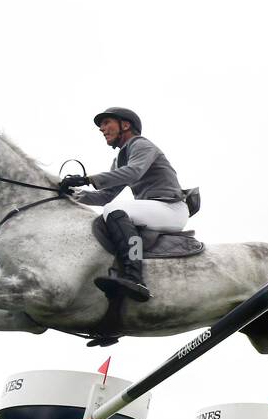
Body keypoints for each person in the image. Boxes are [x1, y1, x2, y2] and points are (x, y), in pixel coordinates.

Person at [59, 107, 188, 302]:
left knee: (114, 210)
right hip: (156, 210)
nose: (102, 129)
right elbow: (104, 196)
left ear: (125, 125)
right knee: (111, 208)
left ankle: (134, 278)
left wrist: (87, 179)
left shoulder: (141, 145)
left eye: (106, 123)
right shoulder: (120, 158)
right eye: (101, 126)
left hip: (171, 209)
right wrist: (73, 195)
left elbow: (133, 172)